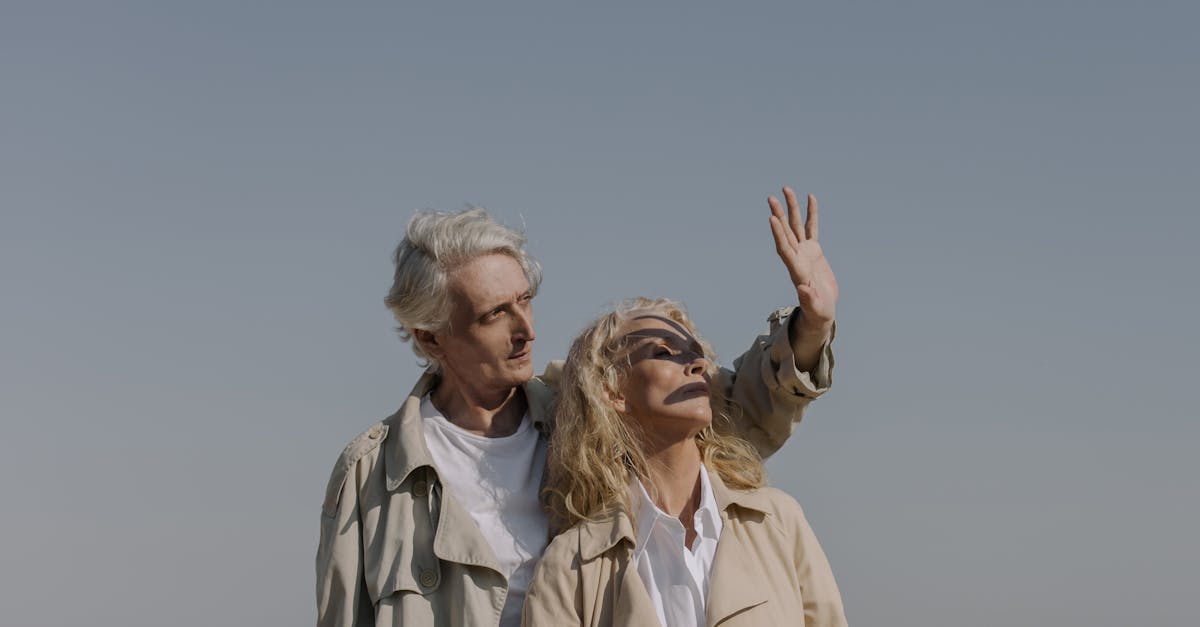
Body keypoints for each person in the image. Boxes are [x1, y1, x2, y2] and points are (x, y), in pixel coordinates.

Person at [316, 187, 838, 627]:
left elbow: (730, 408)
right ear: (432, 340)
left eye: (526, 299)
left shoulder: (582, 410)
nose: (527, 330)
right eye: (496, 314)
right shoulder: (372, 475)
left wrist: (811, 326)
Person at [522, 297, 847, 627]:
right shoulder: (569, 567)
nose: (697, 364)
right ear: (612, 392)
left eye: (696, 352)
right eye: (663, 352)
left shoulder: (779, 521)